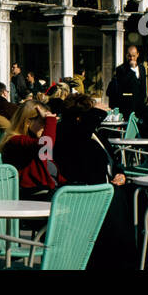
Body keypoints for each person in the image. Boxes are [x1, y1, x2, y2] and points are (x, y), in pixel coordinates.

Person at [52, 93, 134, 269]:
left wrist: (121, 173)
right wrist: (96, 112)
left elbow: (112, 159)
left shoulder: (96, 134)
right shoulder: (70, 134)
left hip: (108, 184)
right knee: (117, 198)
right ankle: (121, 261)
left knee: (135, 192)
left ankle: (138, 252)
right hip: (85, 190)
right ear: (79, 117)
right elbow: (82, 160)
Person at [0, 99, 59, 200]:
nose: (46, 126)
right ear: (28, 122)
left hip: (42, 191)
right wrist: (50, 120)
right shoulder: (16, 140)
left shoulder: (33, 140)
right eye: (43, 121)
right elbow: (47, 144)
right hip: (31, 195)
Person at [106, 45, 148, 117]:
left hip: (140, 103)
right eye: (129, 56)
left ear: (138, 55)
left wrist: (144, 99)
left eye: (133, 56)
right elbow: (123, 84)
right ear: (126, 55)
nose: (131, 58)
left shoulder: (142, 68)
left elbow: (143, 85)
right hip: (127, 104)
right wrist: (132, 69)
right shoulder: (121, 69)